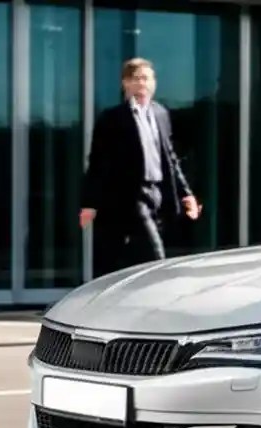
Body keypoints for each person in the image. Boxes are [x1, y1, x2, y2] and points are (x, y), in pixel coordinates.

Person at [79, 58, 201, 277]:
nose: (142, 84)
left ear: (153, 83)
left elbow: (171, 158)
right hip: (132, 194)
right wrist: (90, 203)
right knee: (155, 255)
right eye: (136, 79)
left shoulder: (161, 113)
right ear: (125, 83)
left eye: (146, 79)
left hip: (158, 192)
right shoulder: (112, 118)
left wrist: (186, 194)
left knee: (129, 255)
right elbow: (98, 161)